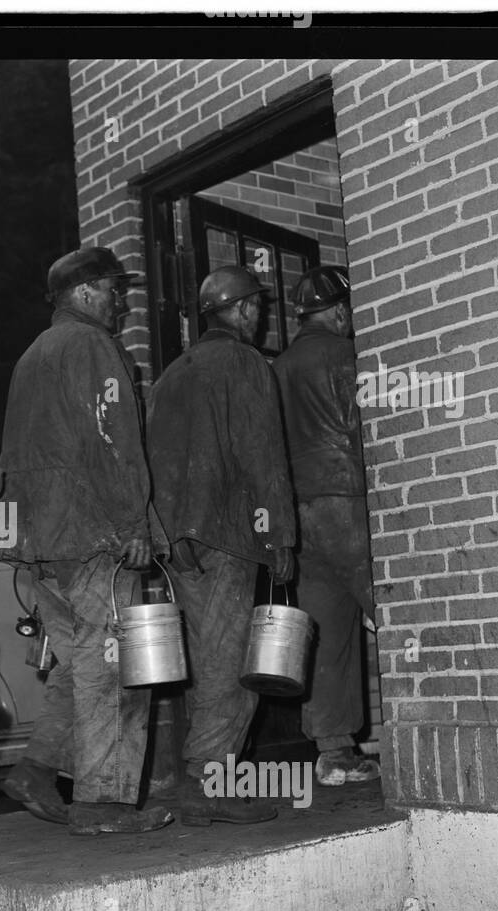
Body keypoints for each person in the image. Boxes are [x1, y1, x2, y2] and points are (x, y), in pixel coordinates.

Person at [0, 247, 173, 837]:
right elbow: (112, 439)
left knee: (78, 664)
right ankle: (104, 802)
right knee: (116, 665)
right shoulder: (92, 347)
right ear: (84, 292)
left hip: (40, 542)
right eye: (112, 289)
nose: (120, 301)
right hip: (92, 534)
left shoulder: (32, 355)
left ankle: (37, 769)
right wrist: (135, 525)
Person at [147, 265, 296, 825]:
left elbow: (153, 463)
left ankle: (200, 778)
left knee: (206, 658)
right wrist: (279, 532)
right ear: (242, 311)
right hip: (230, 532)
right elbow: (263, 452)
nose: (259, 316)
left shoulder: (170, 375)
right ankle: (210, 780)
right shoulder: (244, 363)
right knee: (232, 663)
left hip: (180, 542)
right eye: (256, 306)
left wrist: (167, 534)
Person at [273, 267, 380, 787]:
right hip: (347, 501)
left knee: (327, 629)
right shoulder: (346, 357)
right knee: (392, 610)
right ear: (339, 311)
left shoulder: (277, 367)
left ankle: (335, 752)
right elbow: (367, 430)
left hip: (301, 512)